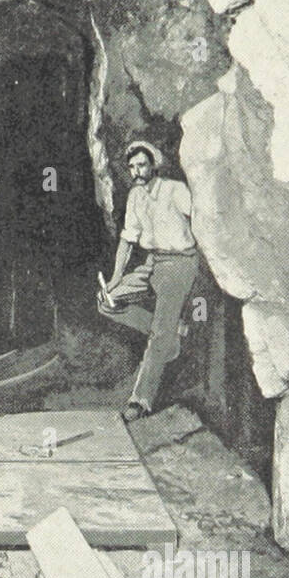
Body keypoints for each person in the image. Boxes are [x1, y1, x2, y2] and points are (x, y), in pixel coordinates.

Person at [98, 140, 199, 422]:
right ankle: (172, 332)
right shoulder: (135, 196)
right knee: (107, 302)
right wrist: (116, 279)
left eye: (141, 165)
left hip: (179, 262)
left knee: (157, 336)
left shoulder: (175, 190)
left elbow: (202, 222)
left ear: (153, 164)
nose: (136, 171)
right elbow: (128, 240)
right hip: (152, 262)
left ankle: (140, 401)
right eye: (131, 167)